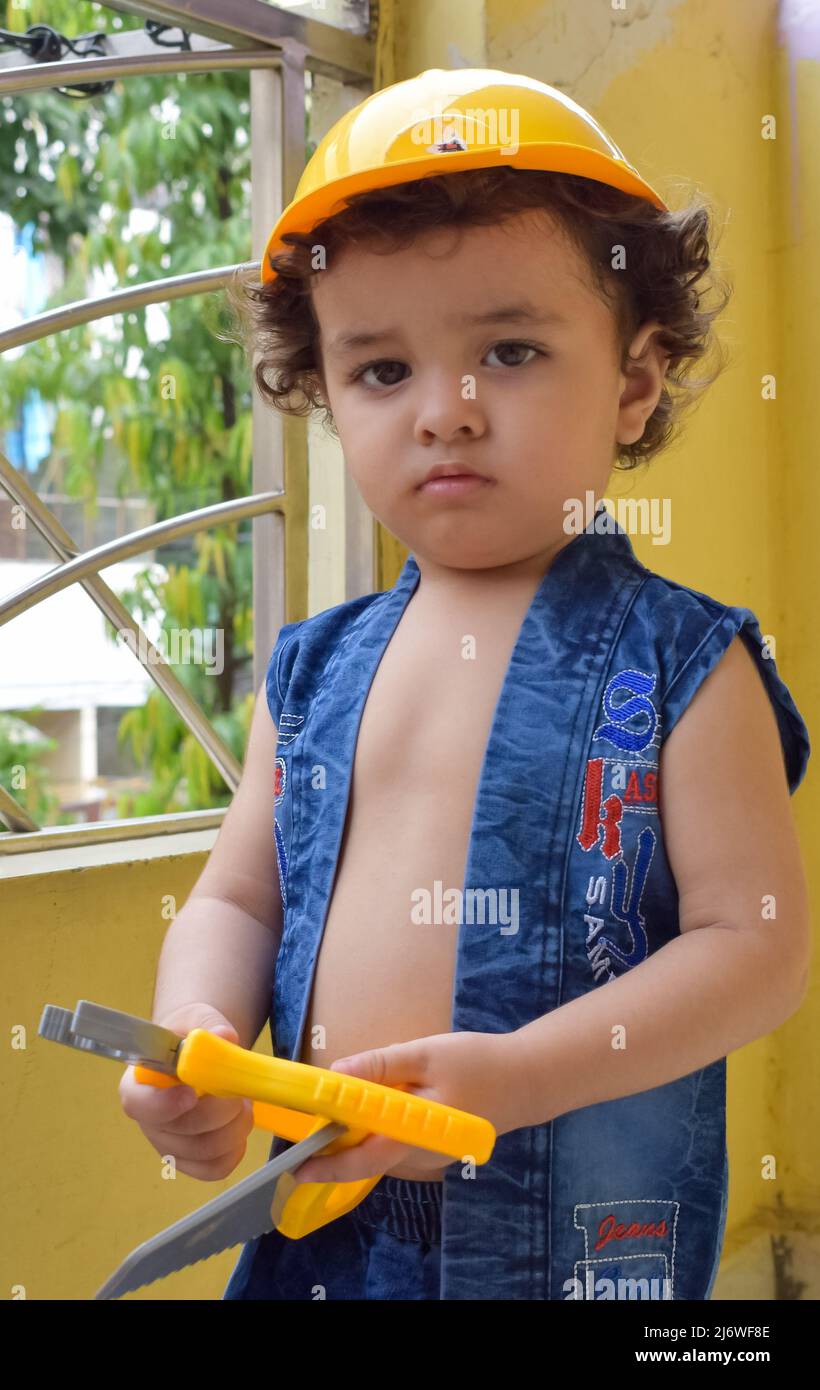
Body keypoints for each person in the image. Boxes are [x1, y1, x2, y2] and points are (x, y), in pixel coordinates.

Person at [118, 68, 811, 1300]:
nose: (448, 411)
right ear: (325, 395)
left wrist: (518, 1077)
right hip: (314, 1231)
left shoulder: (686, 665)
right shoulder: (312, 671)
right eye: (382, 370)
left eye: (509, 349)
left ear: (632, 382)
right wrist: (197, 1040)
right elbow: (237, 902)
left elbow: (754, 951)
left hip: (567, 1252)